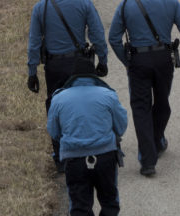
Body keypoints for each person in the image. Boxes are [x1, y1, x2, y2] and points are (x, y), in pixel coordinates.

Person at [108, 0, 180, 177]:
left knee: (141, 108)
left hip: (138, 60)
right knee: (162, 103)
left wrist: (127, 60)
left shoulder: (126, 5)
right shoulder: (171, 2)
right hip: (164, 59)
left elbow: (113, 38)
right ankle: (157, 140)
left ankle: (148, 160)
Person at [27, 0, 110, 169]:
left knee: (55, 106)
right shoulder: (84, 3)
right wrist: (103, 60)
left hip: (54, 65)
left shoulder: (41, 7)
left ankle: (60, 154)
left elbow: (34, 43)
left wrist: (32, 72)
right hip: (79, 63)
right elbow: (97, 34)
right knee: (84, 103)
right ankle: (86, 148)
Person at [47, 74, 128, 216]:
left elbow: (54, 132)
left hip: (74, 160)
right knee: (109, 202)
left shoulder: (59, 98)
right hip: (105, 157)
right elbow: (121, 127)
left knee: (79, 206)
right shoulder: (108, 95)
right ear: (94, 79)